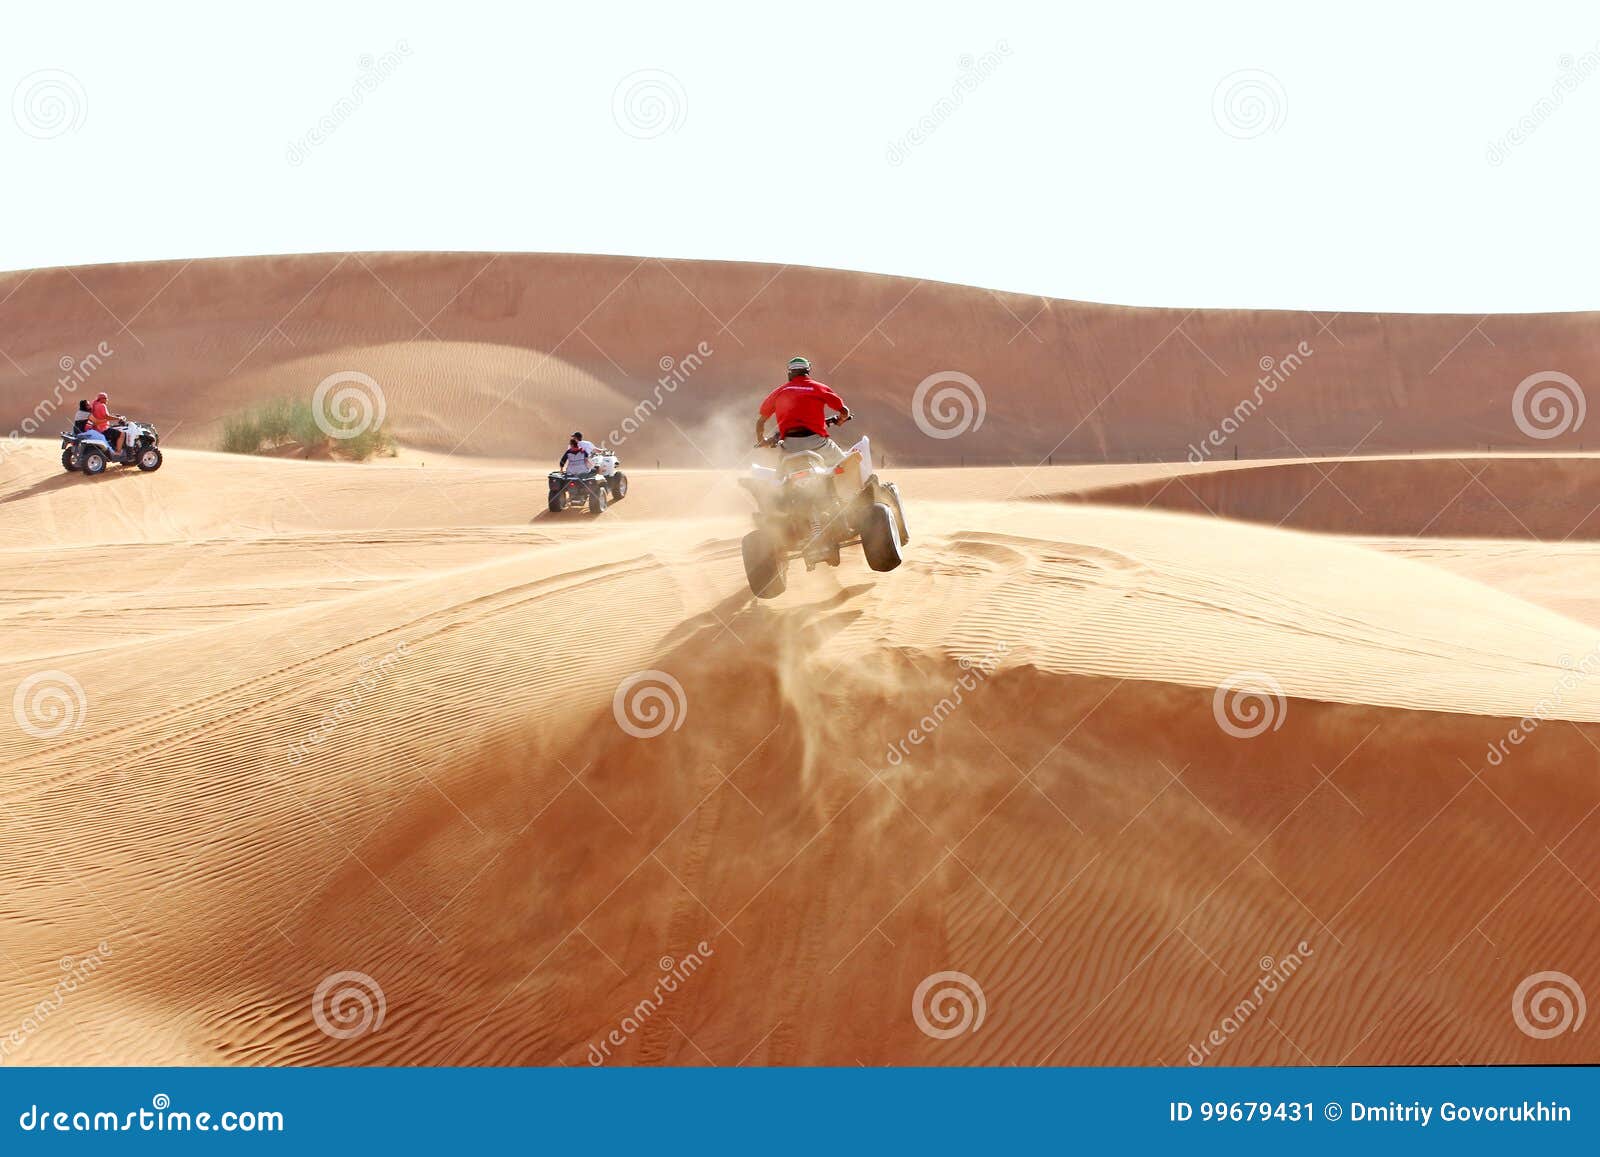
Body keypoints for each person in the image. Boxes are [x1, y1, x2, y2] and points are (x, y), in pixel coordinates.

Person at [755, 356, 852, 465]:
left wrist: (761, 440)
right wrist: (841, 419)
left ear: (790, 373)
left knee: (780, 476)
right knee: (845, 464)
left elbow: (760, 421)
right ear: (807, 371)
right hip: (816, 443)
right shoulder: (819, 388)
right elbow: (844, 411)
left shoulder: (780, 391)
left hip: (789, 445)